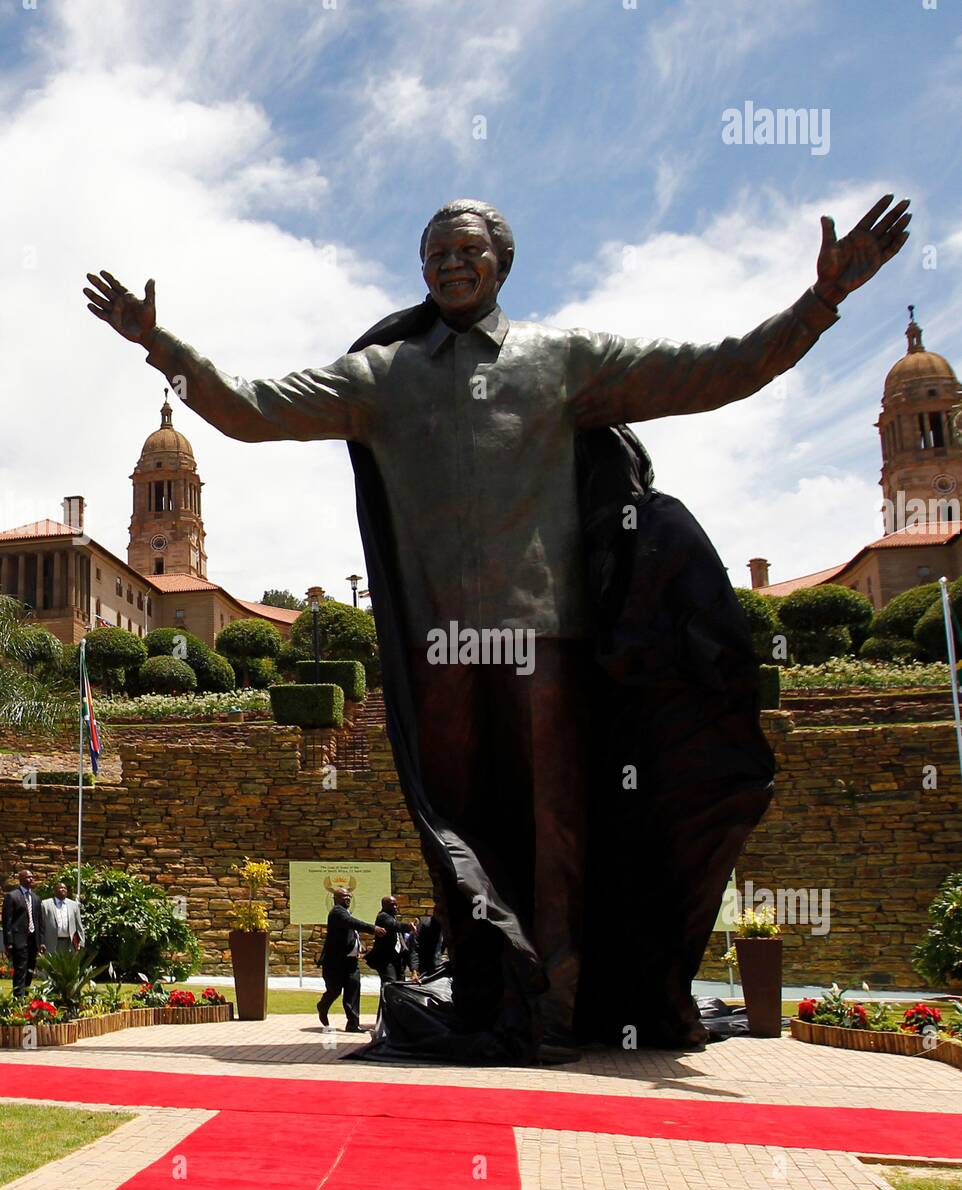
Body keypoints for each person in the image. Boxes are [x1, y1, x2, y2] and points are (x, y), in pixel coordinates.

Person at [84, 192, 910, 1062]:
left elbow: (716, 370)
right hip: (437, 650)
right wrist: (159, 345)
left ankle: (553, 1009)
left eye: (466, 249)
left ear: (501, 263)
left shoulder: (562, 360)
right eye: (434, 252)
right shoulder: (382, 377)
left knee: (557, 827)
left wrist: (821, 302)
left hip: (544, 641)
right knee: (460, 832)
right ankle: (492, 994)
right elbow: (248, 408)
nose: (449, 264)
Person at [316, 887, 379, 1033]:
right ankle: (323, 1006)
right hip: (335, 962)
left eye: (349, 896)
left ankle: (352, 1024)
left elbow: (350, 932)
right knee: (334, 990)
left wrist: (358, 945)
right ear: (336, 899)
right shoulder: (337, 912)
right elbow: (352, 923)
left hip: (351, 962)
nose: (348, 898)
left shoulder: (346, 913)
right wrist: (373, 928)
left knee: (353, 990)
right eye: (344, 896)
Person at [2, 869, 42, 996]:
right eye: (28, 877)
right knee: (20, 969)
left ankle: (26, 995)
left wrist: (41, 941)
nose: (31, 879)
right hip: (19, 940)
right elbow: (7, 921)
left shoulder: (36, 898)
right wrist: (8, 942)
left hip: (33, 940)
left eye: (32, 877)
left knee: (30, 969)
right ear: (21, 879)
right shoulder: (12, 896)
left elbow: (39, 921)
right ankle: (18, 998)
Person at [367, 895, 415, 987]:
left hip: (398, 959)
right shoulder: (382, 917)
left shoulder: (393, 918)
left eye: (396, 905)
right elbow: (394, 926)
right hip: (386, 960)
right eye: (392, 905)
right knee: (389, 985)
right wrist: (408, 926)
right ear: (384, 906)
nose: (395, 907)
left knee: (399, 987)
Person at [40, 882, 84, 956]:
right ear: (54, 891)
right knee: (52, 967)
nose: (63, 889)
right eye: (60, 888)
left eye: (65, 888)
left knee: (68, 966)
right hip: (52, 943)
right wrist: (41, 942)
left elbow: (79, 925)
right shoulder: (45, 904)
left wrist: (81, 942)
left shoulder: (74, 905)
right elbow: (41, 925)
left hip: (69, 943)